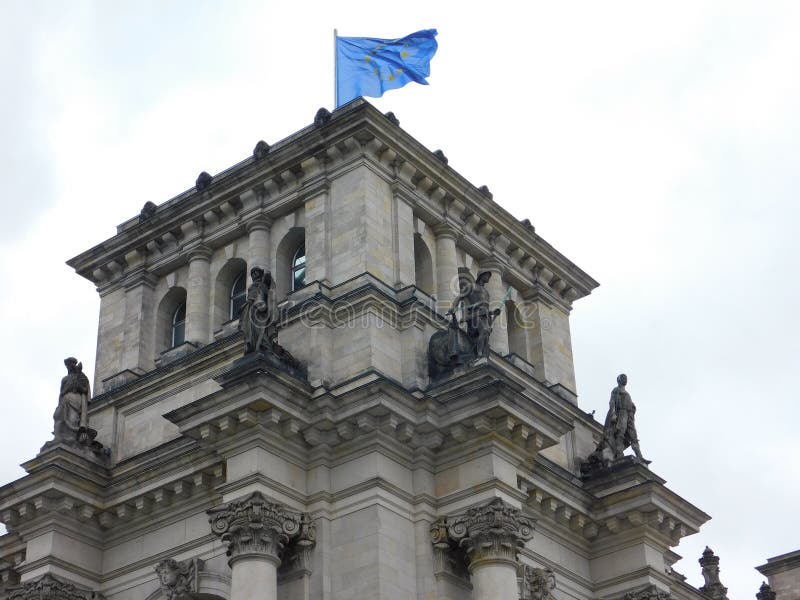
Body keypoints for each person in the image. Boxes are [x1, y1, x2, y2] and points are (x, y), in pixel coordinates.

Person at [447, 268, 500, 358]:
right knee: (484, 331)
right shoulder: (471, 286)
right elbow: (459, 297)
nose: (488, 277)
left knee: (486, 334)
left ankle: (479, 353)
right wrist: (454, 307)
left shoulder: (486, 292)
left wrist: (493, 313)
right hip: (475, 315)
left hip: (485, 316)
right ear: (481, 276)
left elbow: (485, 306)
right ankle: (479, 354)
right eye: (487, 275)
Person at [602, 373, 649, 462]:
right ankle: (619, 454)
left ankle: (639, 456)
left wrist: (633, 407)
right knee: (620, 433)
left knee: (633, 435)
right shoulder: (616, 390)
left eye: (626, 378)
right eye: (623, 378)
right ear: (619, 380)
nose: (625, 379)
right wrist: (613, 414)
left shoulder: (627, 393)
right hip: (621, 413)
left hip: (629, 414)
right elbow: (612, 403)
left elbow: (630, 404)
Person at [239, 267, 276, 354]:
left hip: (258, 310)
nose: (254, 274)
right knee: (251, 329)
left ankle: (263, 345)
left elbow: (265, 297)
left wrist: (260, 304)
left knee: (259, 329)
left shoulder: (262, 285)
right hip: (250, 309)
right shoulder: (255, 285)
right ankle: (253, 345)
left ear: (260, 274)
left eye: (256, 272)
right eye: (252, 273)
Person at [53, 357, 90, 444]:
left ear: (73, 365)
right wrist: (60, 403)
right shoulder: (64, 379)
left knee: (73, 418)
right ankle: (58, 437)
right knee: (58, 416)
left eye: (69, 365)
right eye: (67, 365)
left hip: (75, 398)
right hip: (64, 400)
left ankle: (71, 438)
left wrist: (77, 385)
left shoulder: (81, 376)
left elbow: (85, 390)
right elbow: (61, 392)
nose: (68, 367)